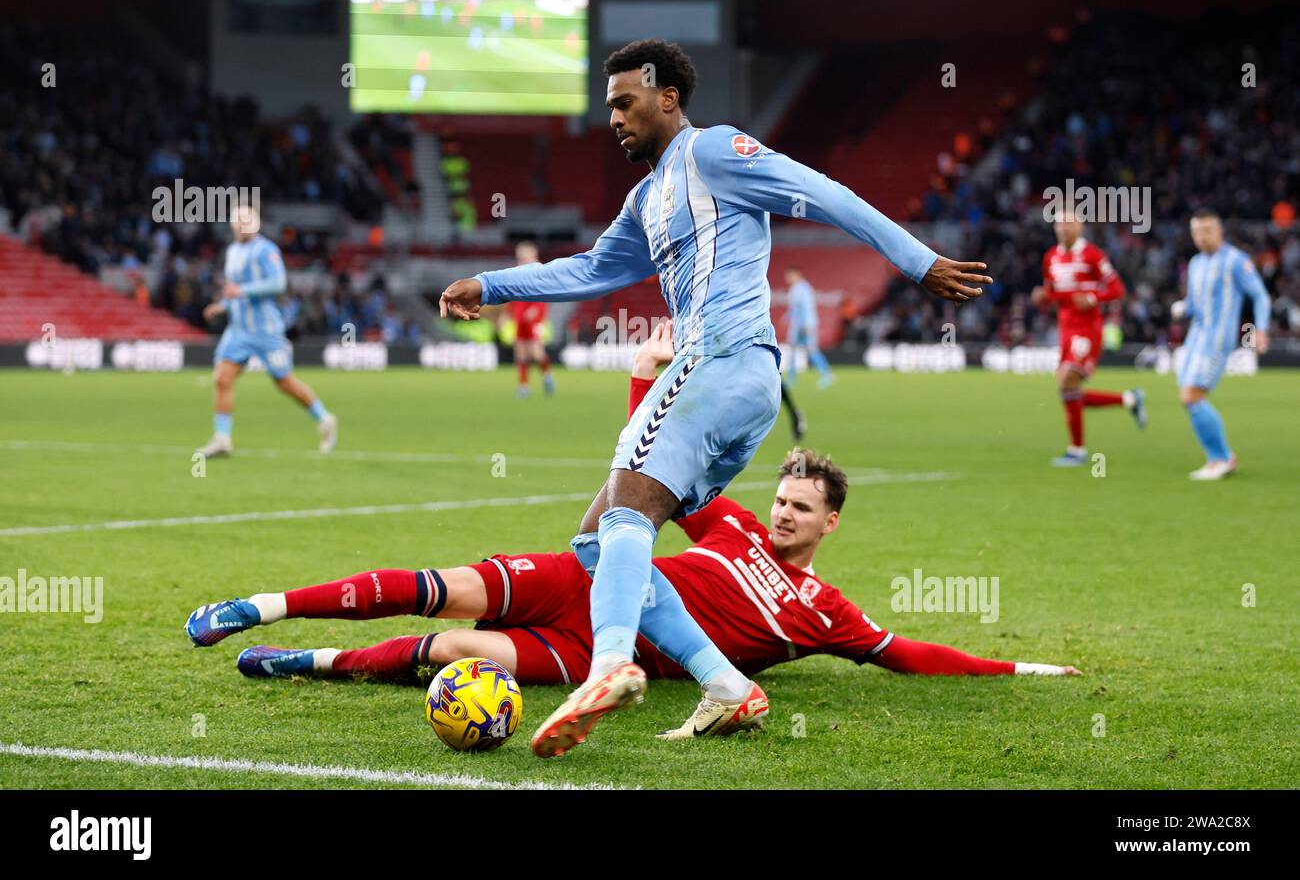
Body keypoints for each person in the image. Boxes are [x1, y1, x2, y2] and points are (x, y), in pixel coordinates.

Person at [438, 39, 992, 758]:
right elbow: (590, 269)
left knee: (626, 514)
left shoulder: (716, 152)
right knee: (595, 540)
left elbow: (824, 193)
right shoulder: (647, 197)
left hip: (718, 364)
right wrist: (494, 283)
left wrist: (917, 261)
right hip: (738, 387)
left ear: (668, 96)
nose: (614, 117)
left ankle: (609, 664)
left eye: (625, 101)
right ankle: (723, 682)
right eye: (608, 105)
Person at [186, 323, 1078, 737]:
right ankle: (259, 609)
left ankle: (303, 664)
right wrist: (640, 381)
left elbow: (908, 653)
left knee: (449, 648)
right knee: (444, 582)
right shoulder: (729, 528)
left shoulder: (821, 612)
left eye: (800, 508)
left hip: (592, 657)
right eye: (780, 497)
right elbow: (644, 475)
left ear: (829, 524)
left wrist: (1021, 665)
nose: (780, 511)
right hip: (582, 584)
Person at [195, 206, 338, 458]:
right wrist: (222, 305)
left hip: (265, 330)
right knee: (222, 378)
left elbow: (277, 283)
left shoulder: (267, 250)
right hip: (238, 329)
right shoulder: (232, 251)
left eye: (246, 219)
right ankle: (222, 439)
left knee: (284, 383)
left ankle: (324, 418)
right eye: (237, 220)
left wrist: (241, 292)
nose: (241, 224)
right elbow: (233, 289)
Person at [1030, 211, 1145, 467]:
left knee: (1067, 381)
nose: (1064, 228)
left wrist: (1093, 298)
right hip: (1065, 329)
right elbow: (1053, 293)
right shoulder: (1051, 258)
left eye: (1069, 223)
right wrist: (1042, 297)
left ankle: (1078, 451)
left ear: (1080, 226)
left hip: (1088, 328)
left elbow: (1117, 289)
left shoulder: (1093, 255)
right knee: (1069, 389)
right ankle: (1129, 400)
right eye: (1059, 223)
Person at [1170, 209, 1271, 480]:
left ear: (1218, 231)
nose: (1201, 237)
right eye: (1196, 232)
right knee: (1188, 398)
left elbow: (1260, 296)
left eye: (1207, 231)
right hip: (1195, 338)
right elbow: (1194, 303)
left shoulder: (1236, 261)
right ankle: (1220, 457)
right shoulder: (1195, 264)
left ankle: (1221, 458)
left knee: (1191, 396)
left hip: (1217, 341)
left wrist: (1260, 329)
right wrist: (1182, 308)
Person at [507, 241, 555, 398]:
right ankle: (524, 385)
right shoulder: (516, 273)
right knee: (520, 352)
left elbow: (544, 295)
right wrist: (507, 314)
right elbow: (512, 297)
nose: (522, 260)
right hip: (520, 319)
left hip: (534, 320)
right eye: (520, 257)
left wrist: (537, 310)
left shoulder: (538, 273)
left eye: (524, 257)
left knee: (536, 351)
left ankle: (547, 376)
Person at [784, 267, 834, 389]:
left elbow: (807, 307)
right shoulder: (795, 289)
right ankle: (791, 379)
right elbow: (795, 308)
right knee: (792, 351)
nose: (787, 279)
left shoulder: (804, 288)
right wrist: (787, 317)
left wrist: (807, 324)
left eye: (790, 276)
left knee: (812, 350)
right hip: (796, 325)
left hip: (805, 325)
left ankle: (827, 375)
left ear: (797, 275)